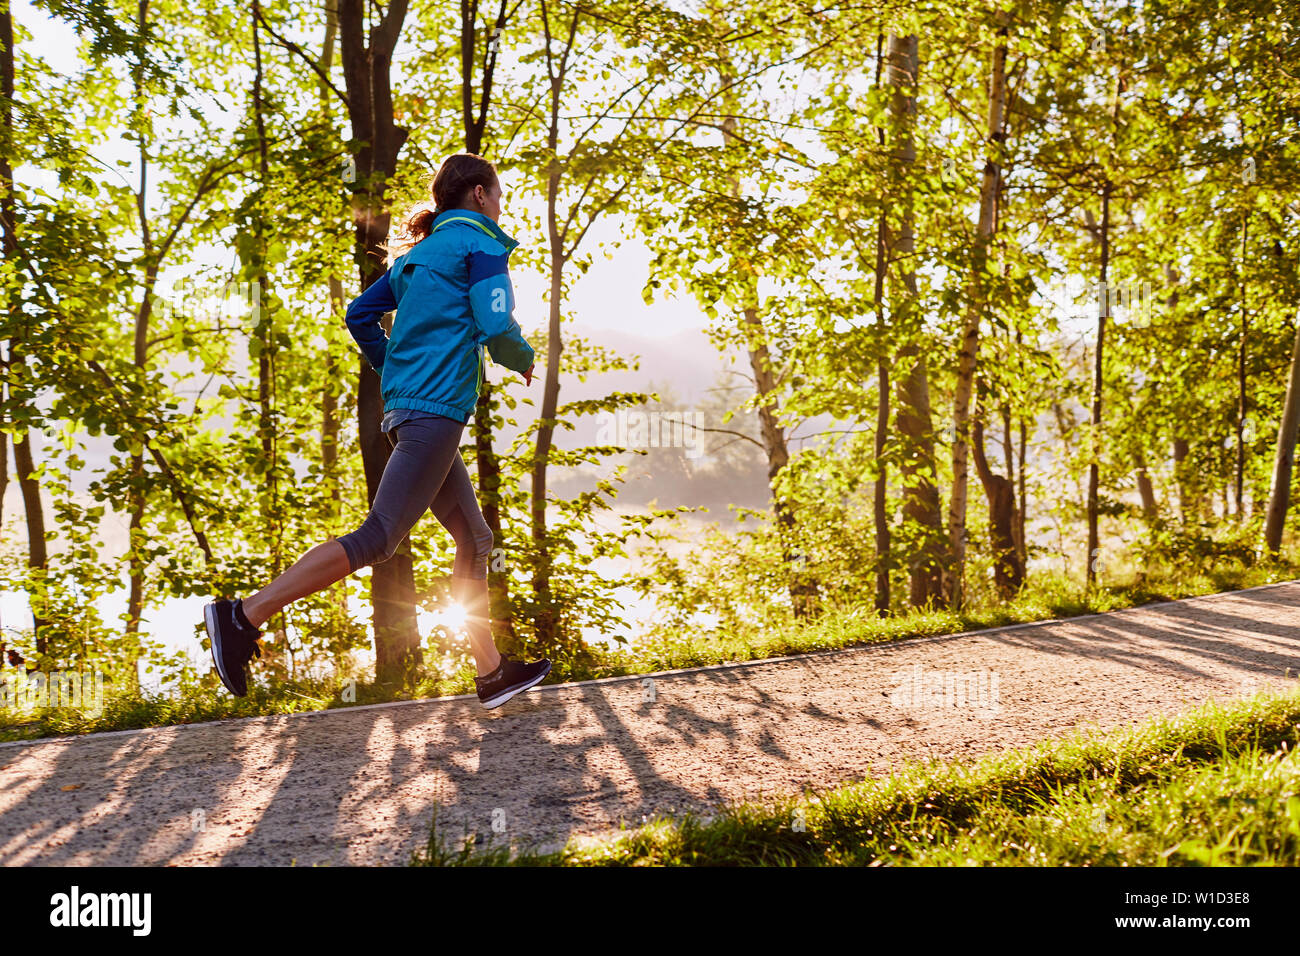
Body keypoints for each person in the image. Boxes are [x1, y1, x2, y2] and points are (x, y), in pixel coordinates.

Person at [203, 152, 551, 710]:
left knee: (474, 539)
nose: (501, 202)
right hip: (434, 413)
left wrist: (391, 367)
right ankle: (242, 616)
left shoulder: (415, 259)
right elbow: (493, 321)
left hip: (408, 410)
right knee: (378, 538)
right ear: (481, 195)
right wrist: (522, 356)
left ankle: (492, 673)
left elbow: (359, 315)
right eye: (499, 193)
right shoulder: (480, 244)